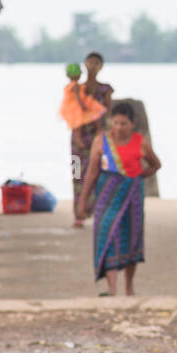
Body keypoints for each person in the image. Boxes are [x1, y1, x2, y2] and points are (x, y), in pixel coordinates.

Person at [75, 103, 161, 296]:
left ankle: (129, 286)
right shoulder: (101, 141)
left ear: (133, 123)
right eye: (116, 123)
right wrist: (82, 200)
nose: (119, 128)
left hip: (132, 196)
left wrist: (139, 176)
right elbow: (91, 172)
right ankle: (111, 288)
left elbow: (156, 164)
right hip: (107, 195)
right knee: (107, 234)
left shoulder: (141, 143)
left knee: (132, 238)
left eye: (124, 123)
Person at [68, 52, 113, 227]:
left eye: (96, 63)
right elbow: (73, 111)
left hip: (98, 135)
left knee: (98, 173)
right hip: (79, 135)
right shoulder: (76, 88)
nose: (93, 66)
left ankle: (97, 211)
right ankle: (79, 213)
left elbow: (107, 112)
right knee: (77, 172)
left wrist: (101, 130)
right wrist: (78, 134)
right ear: (85, 64)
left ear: (101, 66)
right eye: (90, 62)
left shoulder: (105, 89)